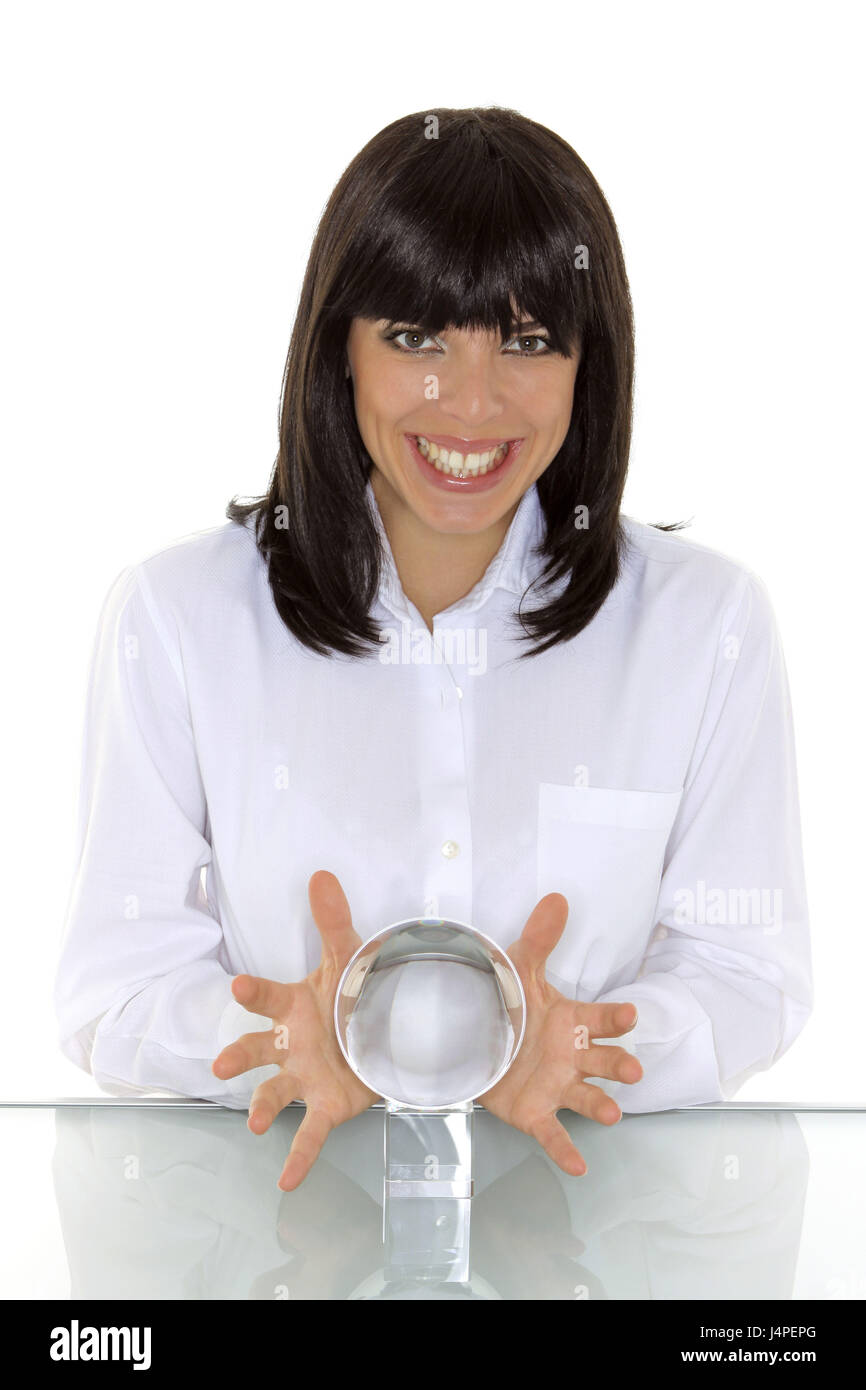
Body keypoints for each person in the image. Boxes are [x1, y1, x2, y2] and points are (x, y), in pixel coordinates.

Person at [54, 106, 813, 1192]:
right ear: (340, 351)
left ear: (586, 364)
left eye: (529, 340)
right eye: (415, 337)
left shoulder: (707, 627)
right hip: (282, 1258)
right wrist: (284, 1041)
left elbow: (752, 975)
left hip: (589, 1255)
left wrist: (577, 1049)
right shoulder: (177, 619)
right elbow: (110, 988)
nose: (472, 401)